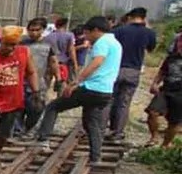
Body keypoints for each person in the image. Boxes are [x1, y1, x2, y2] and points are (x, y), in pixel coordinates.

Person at [36, 16, 123, 162]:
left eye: (88, 33)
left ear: (96, 30)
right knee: (91, 122)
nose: (87, 37)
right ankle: (95, 157)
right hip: (105, 91)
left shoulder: (102, 42)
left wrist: (75, 82)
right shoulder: (115, 43)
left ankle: (42, 140)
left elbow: (97, 62)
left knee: (53, 107)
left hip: (91, 87)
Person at [0, 26, 36, 174]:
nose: (11, 48)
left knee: (3, 135)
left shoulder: (24, 52)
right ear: (0, 41)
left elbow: (31, 72)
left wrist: (36, 91)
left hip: (13, 101)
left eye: (14, 44)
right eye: (7, 44)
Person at [108, 7, 157, 143]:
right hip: (133, 71)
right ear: (144, 18)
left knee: (109, 100)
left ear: (130, 17)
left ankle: (101, 130)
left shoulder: (118, 30)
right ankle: (118, 134)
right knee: (124, 103)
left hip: (114, 69)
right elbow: (151, 49)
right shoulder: (149, 33)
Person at [19, 17, 57, 137]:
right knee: (18, 109)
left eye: (37, 30)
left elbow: (53, 62)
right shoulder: (21, 43)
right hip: (20, 82)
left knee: (36, 109)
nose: (34, 33)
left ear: (43, 30)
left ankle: (28, 127)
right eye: (31, 30)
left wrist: (59, 78)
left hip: (40, 82)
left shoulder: (48, 45)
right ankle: (18, 131)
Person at [148, 41, 182, 148]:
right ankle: (154, 137)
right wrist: (155, 83)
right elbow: (162, 72)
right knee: (153, 111)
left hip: (180, 93)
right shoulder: (171, 58)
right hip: (166, 90)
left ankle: (165, 144)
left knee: (174, 122)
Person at [46, 17, 77, 83]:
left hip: (50, 63)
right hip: (63, 62)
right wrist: (75, 63)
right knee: (62, 83)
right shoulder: (69, 35)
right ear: (65, 25)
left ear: (56, 25)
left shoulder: (49, 36)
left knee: (47, 82)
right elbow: (71, 50)